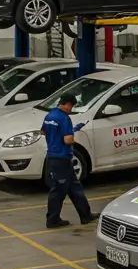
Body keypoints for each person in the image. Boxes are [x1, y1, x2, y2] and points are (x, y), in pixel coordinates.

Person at [41, 94, 97, 228]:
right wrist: (72, 135)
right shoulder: (64, 118)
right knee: (58, 190)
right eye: (71, 106)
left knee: (75, 187)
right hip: (62, 157)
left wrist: (67, 131)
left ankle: (85, 215)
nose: (71, 109)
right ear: (67, 104)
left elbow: (43, 131)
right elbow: (68, 140)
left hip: (52, 157)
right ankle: (52, 220)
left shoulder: (50, 115)